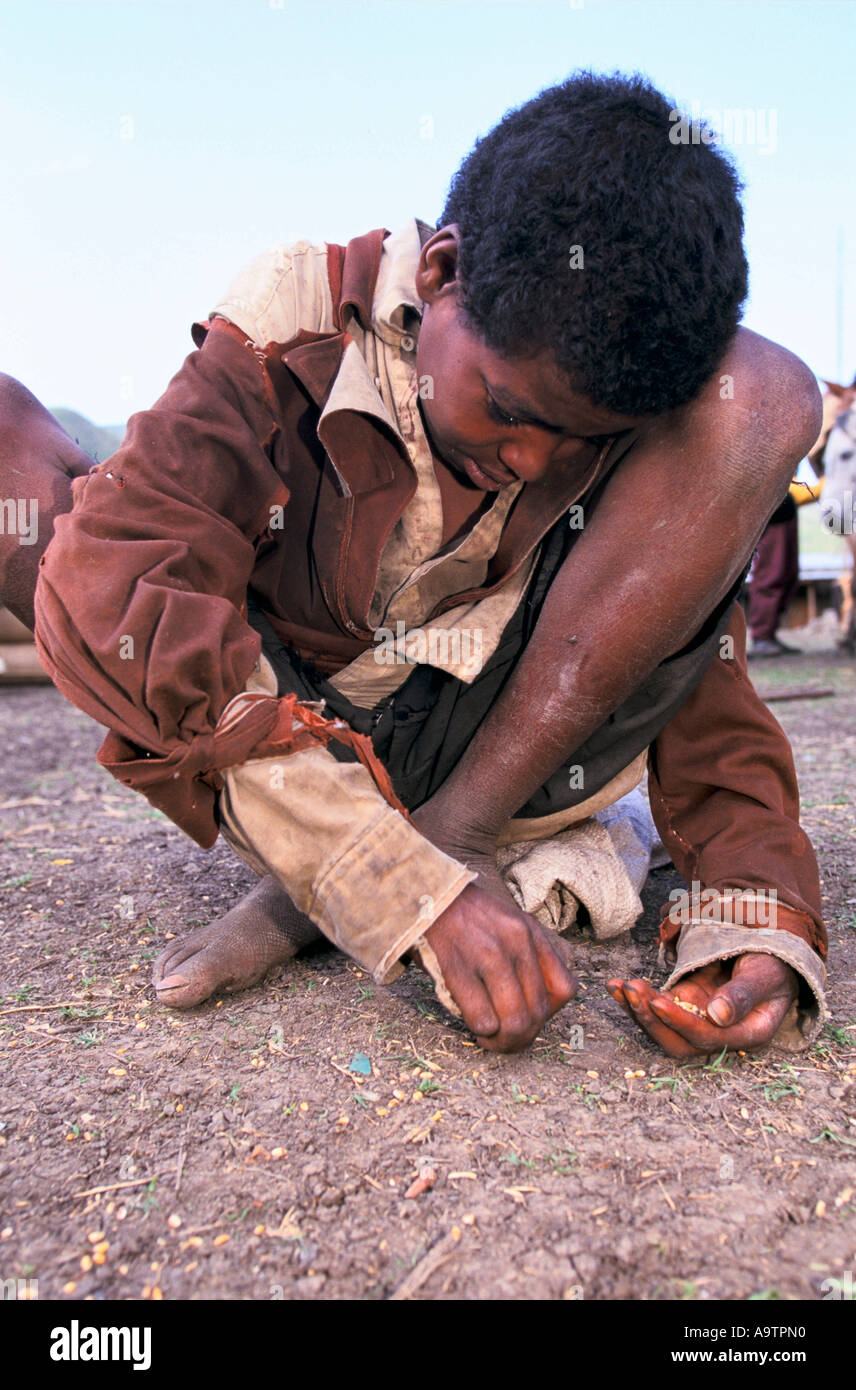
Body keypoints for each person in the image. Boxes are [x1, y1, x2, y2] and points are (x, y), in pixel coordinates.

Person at [5, 72, 826, 1059]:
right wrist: (369, 867)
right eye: (509, 409)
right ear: (440, 271)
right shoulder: (297, 312)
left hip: (505, 759)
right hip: (313, 735)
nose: (532, 461)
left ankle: (456, 834)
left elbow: (696, 655)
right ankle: (374, 861)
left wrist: (754, 905)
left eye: (583, 440)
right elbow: (117, 571)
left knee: (764, 392)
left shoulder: (630, 401)